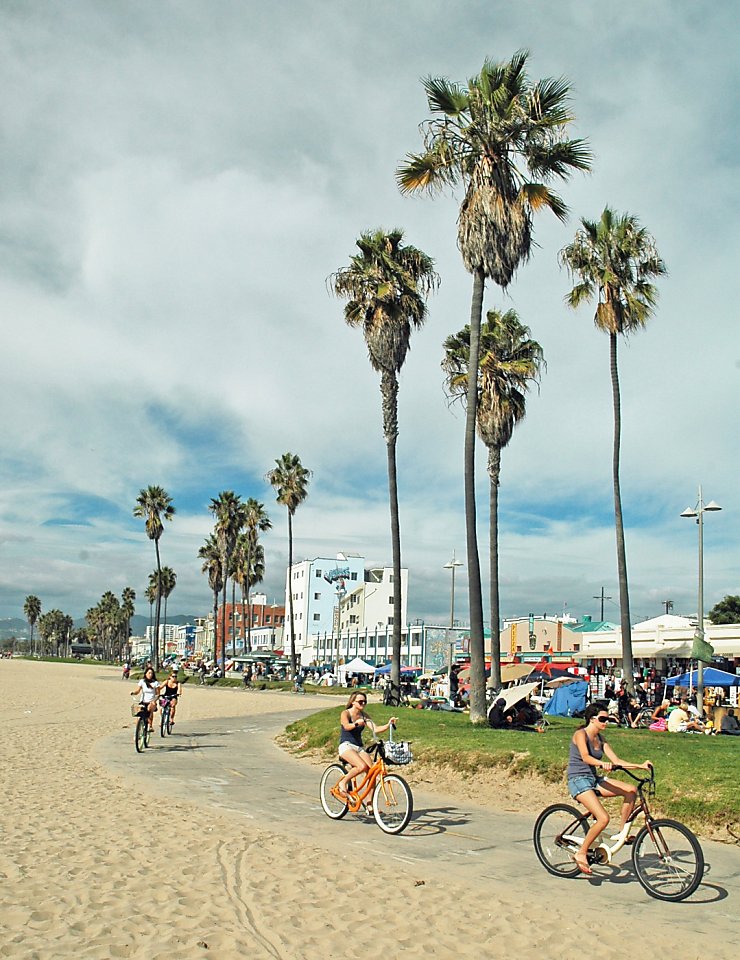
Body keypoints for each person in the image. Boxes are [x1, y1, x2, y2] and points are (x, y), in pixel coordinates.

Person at [566, 702, 652, 875]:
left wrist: (641, 766)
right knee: (603, 818)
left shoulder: (601, 739)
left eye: (608, 719)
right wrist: (601, 764)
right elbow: (585, 757)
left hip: (592, 779)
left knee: (631, 790)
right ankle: (582, 853)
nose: (606, 722)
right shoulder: (580, 734)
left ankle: (622, 833)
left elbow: (617, 761)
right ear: (592, 719)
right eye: (603, 719)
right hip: (577, 780)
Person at [334, 691, 398, 809]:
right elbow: (346, 726)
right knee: (361, 766)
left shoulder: (364, 715)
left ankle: (369, 805)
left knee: (372, 772)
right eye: (360, 701)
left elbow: (376, 729)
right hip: (346, 745)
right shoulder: (346, 713)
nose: (363, 703)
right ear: (353, 702)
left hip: (358, 747)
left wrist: (388, 724)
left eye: (365, 701)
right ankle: (343, 783)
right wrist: (357, 724)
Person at [130, 666, 161, 731]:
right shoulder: (142, 681)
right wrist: (133, 693)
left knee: (150, 710)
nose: (150, 675)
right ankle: (137, 731)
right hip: (143, 701)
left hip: (151, 701)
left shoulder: (155, 683)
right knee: (139, 714)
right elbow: (138, 691)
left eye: (151, 673)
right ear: (146, 674)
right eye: (149, 673)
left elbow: (158, 694)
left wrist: (154, 700)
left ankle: (150, 726)